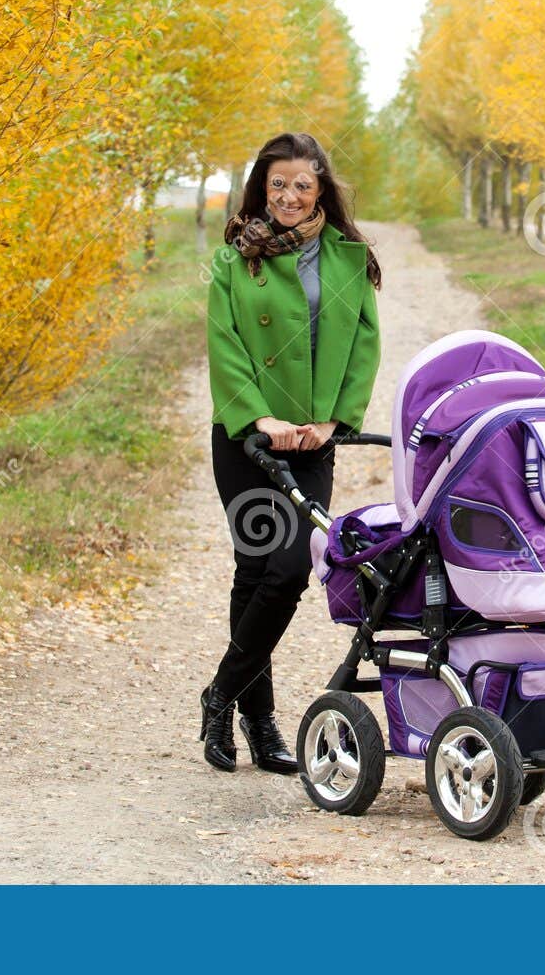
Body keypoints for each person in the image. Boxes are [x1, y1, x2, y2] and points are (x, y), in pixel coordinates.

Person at [200, 131, 382, 772]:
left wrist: (335, 419)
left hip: (312, 441)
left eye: (303, 185)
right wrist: (260, 417)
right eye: (278, 184)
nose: (290, 196)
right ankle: (259, 719)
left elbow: (364, 343)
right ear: (262, 188)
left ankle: (222, 696)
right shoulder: (234, 259)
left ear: (321, 190)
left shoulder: (349, 256)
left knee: (290, 571)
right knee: (259, 572)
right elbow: (224, 346)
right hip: (248, 438)